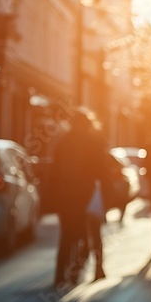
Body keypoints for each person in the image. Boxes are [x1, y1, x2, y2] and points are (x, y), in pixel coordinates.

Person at [50, 108, 110, 290]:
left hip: (66, 197)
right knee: (93, 234)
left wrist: (52, 197)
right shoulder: (95, 142)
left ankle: (61, 275)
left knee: (68, 236)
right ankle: (95, 269)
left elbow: (54, 171)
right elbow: (103, 171)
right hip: (88, 195)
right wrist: (106, 196)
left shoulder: (64, 142)